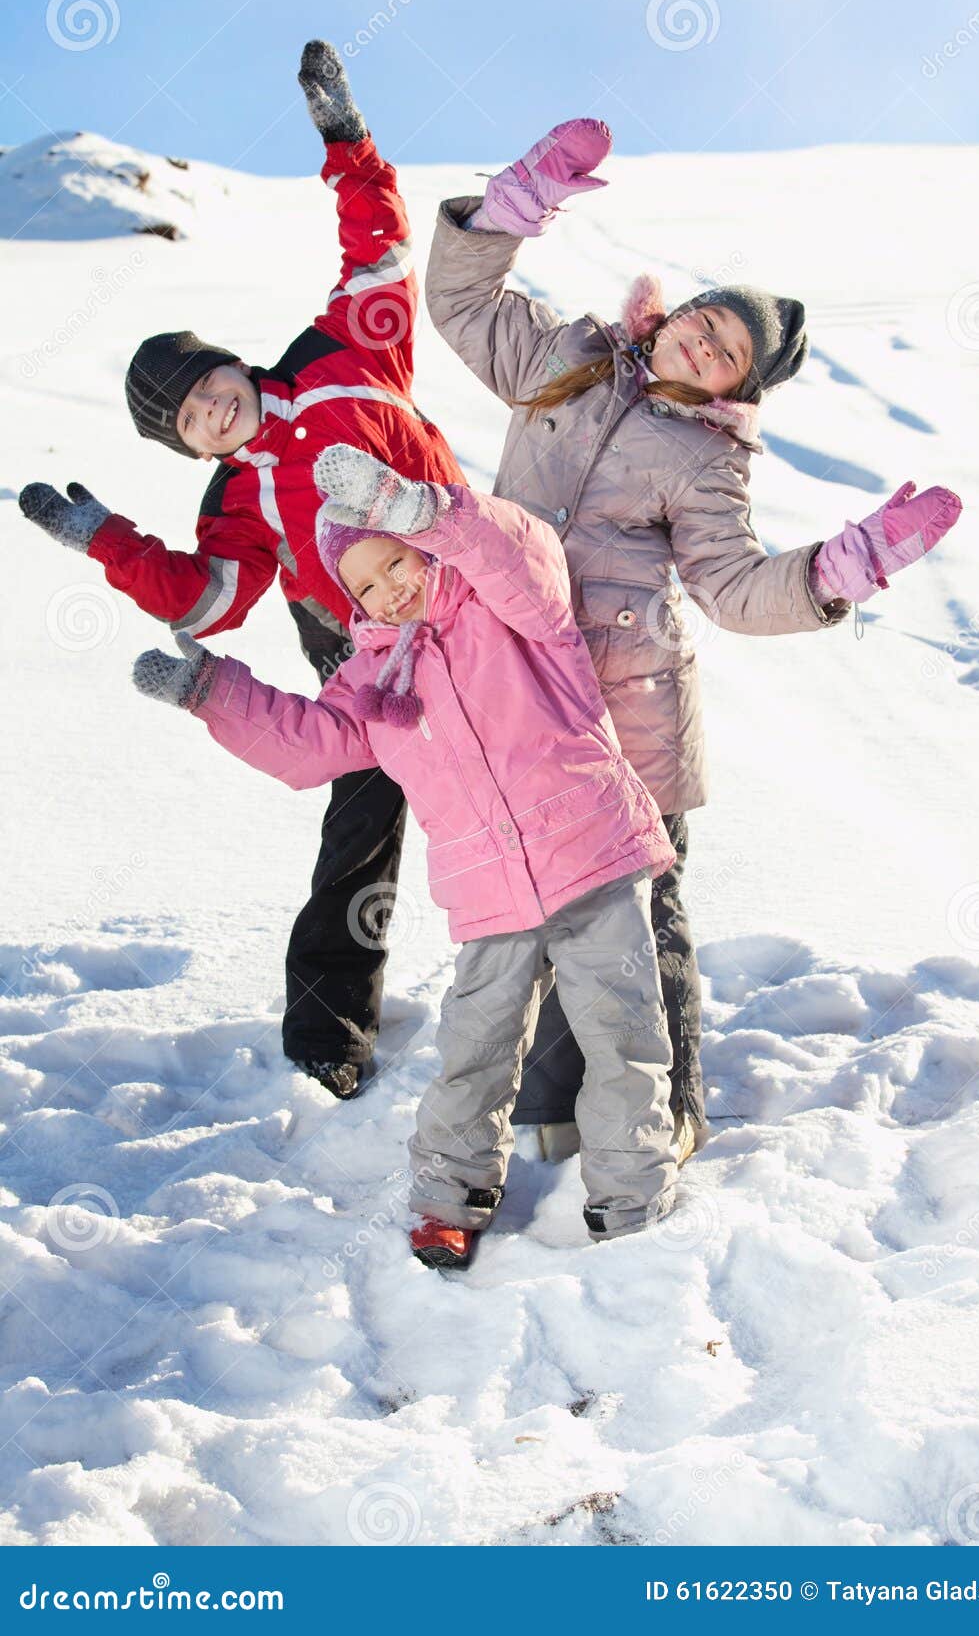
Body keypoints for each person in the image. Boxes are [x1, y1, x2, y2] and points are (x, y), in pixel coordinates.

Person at [423, 118, 962, 1163]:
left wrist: (835, 571)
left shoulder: (705, 459)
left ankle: (667, 1114)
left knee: (642, 908)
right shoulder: (564, 357)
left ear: (732, 390)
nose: (703, 345)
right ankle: (553, 1112)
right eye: (705, 322)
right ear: (675, 313)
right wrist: (504, 214)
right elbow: (458, 304)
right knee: (531, 894)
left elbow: (727, 583)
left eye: (724, 355)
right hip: (512, 682)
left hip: (627, 699)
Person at [17, 41, 465, 1100]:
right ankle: (327, 1032)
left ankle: (573, 983)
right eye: (186, 422)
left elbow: (376, 245)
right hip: (357, 642)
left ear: (228, 361)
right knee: (362, 810)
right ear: (193, 447)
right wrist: (105, 539)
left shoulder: (340, 354)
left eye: (204, 384)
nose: (209, 408)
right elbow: (205, 600)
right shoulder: (235, 498)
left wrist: (344, 137)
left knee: (528, 772)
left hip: (466, 583)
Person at [130, 444, 681, 1268]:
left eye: (396, 562)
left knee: (623, 1034)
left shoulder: (513, 612)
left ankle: (630, 1194)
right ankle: (447, 1199)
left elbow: (514, 547)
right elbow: (311, 745)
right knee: (474, 1049)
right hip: (490, 890)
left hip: (593, 855)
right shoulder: (373, 677)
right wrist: (215, 694)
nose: (390, 588)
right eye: (366, 584)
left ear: (419, 546)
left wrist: (421, 507)